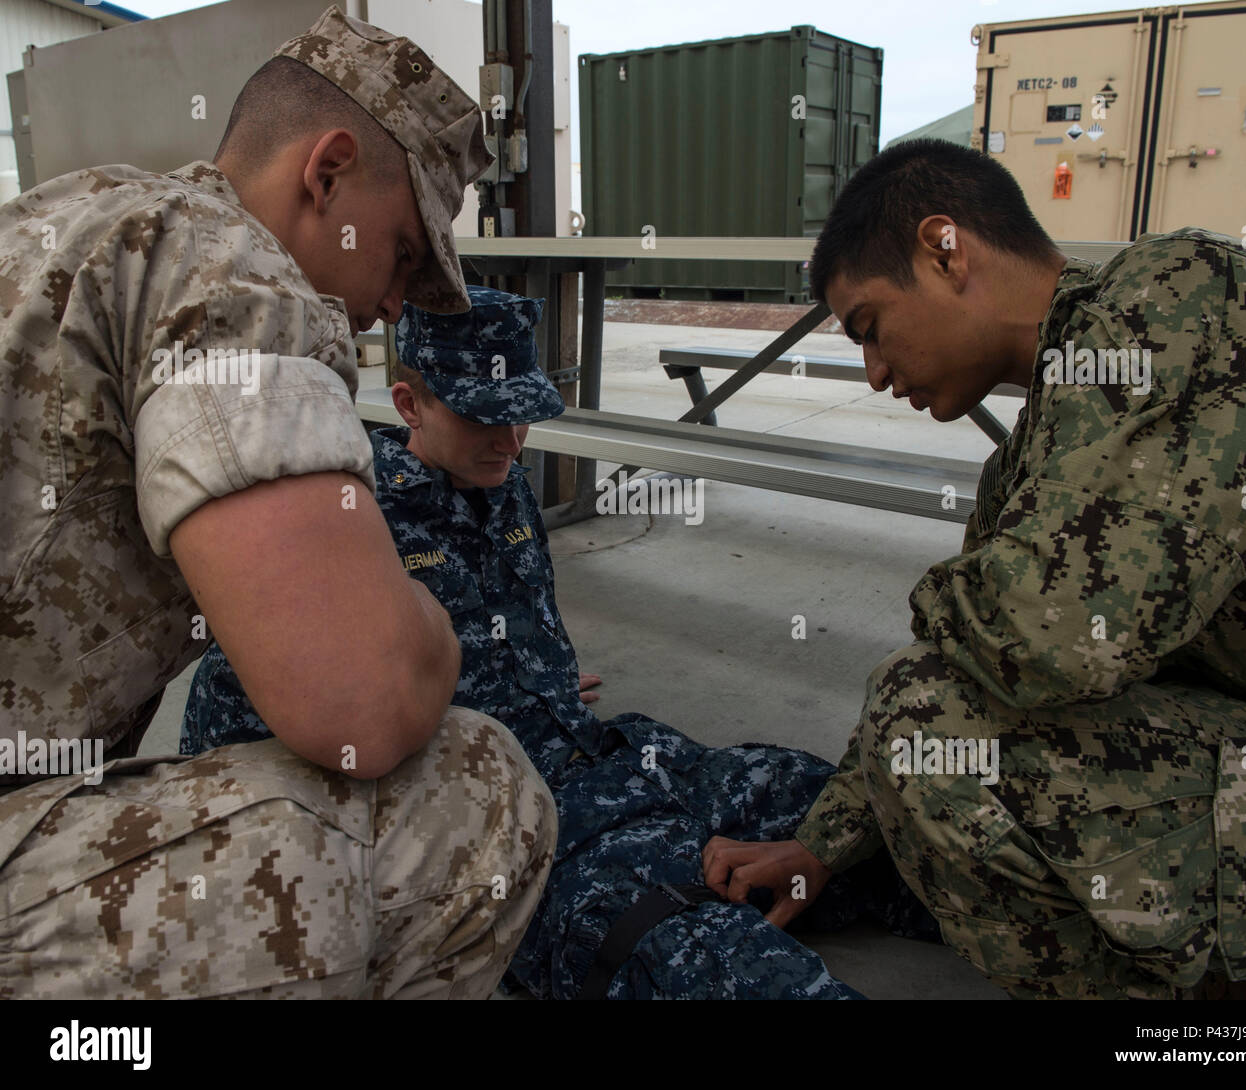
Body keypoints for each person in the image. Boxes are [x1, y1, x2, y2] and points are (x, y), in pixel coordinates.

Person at [0, 6, 554, 999]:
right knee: (478, 790)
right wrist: (432, 632)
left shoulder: (69, 215)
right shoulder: (232, 266)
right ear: (326, 172)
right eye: (402, 256)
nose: (395, 304)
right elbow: (358, 700)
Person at [184, 286, 941, 1000]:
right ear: (410, 404)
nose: (513, 443)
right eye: (487, 419)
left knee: (850, 813)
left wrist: (528, 678)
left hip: (603, 757)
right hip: (517, 825)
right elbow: (234, 728)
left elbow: (513, 616)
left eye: (524, 417)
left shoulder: (497, 476)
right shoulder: (345, 519)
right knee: (697, 954)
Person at [705, 137, 1246, 999]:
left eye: (871, 328)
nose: (872, 374)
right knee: (926, 710)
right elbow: (979, 653)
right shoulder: (1034, 456)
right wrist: (822, 846)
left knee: (924, 717)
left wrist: (944, 601)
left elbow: (1056, 636)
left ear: (945, 251)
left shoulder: (1177, 291)